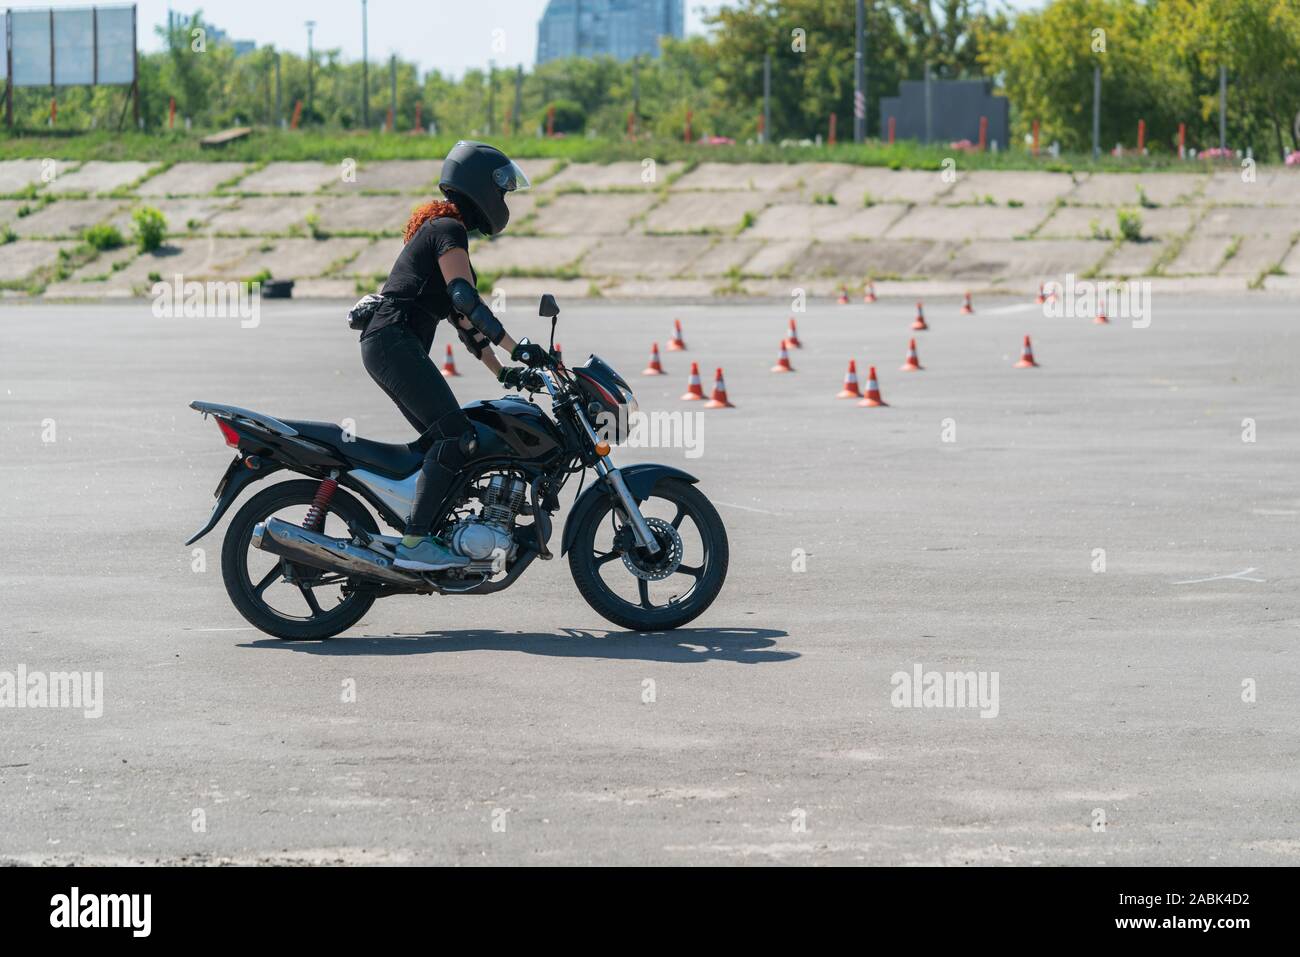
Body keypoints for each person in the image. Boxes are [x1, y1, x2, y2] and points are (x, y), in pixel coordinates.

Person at [359, 141, 548, 572]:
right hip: (393, 343)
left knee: (442, 439)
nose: (504, 200)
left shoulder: (444, 231)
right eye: (502, 190)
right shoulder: (448, 230)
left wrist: (506, 373)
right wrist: (516, 346)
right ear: (481, 185)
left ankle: (423, 525)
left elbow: (467, 329)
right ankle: (416, 541)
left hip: (387, 345)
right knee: (456, 437)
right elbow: (465, 300)